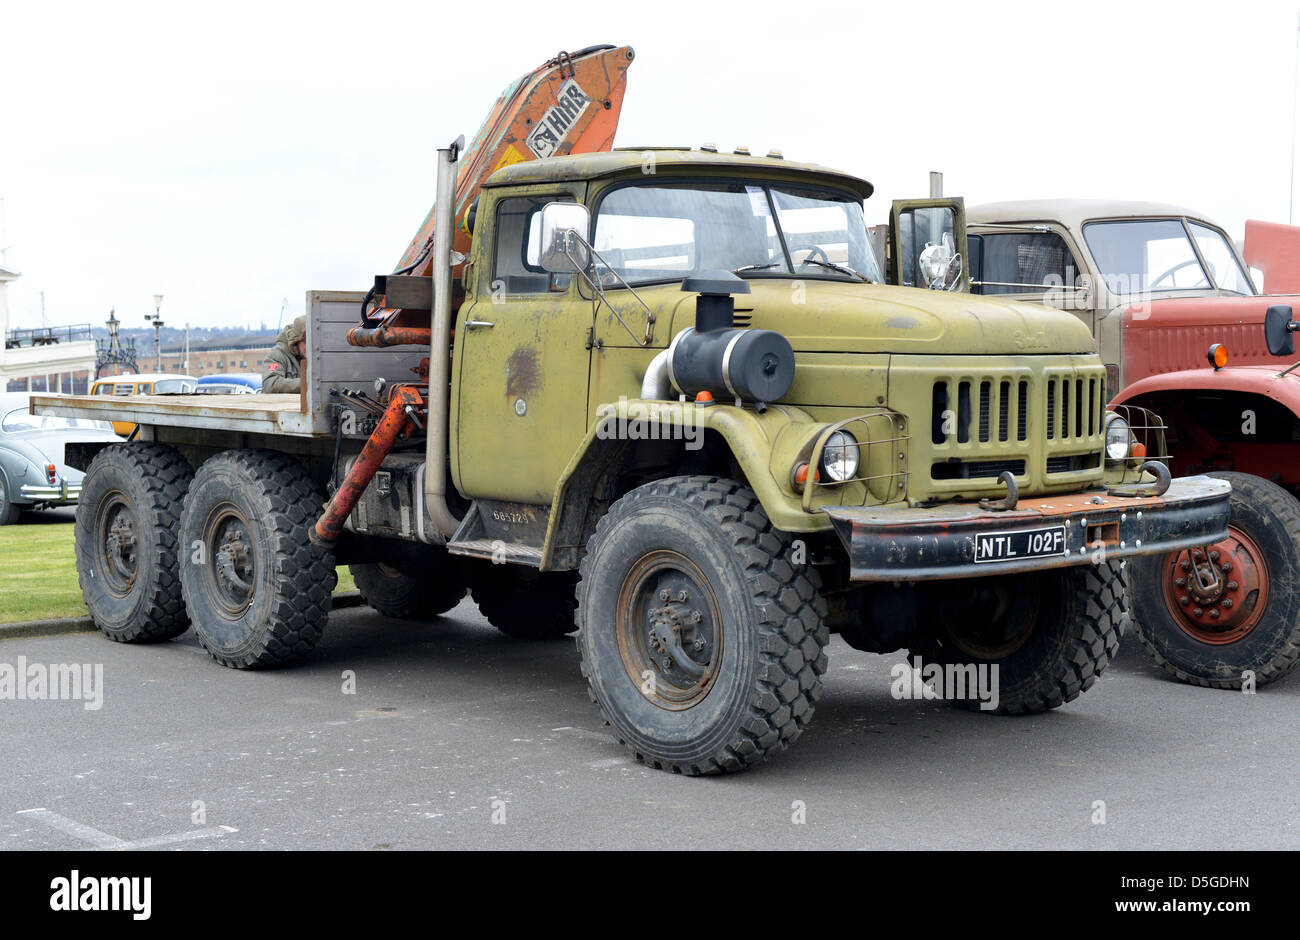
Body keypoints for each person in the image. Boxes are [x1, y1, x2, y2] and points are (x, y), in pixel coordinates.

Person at [261, 316, 306, 394]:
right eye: (306, 340)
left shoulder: (319, 356)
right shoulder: (277, 355)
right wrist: (306, 384)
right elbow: (270, 384)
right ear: (296, 340)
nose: (312, 345)